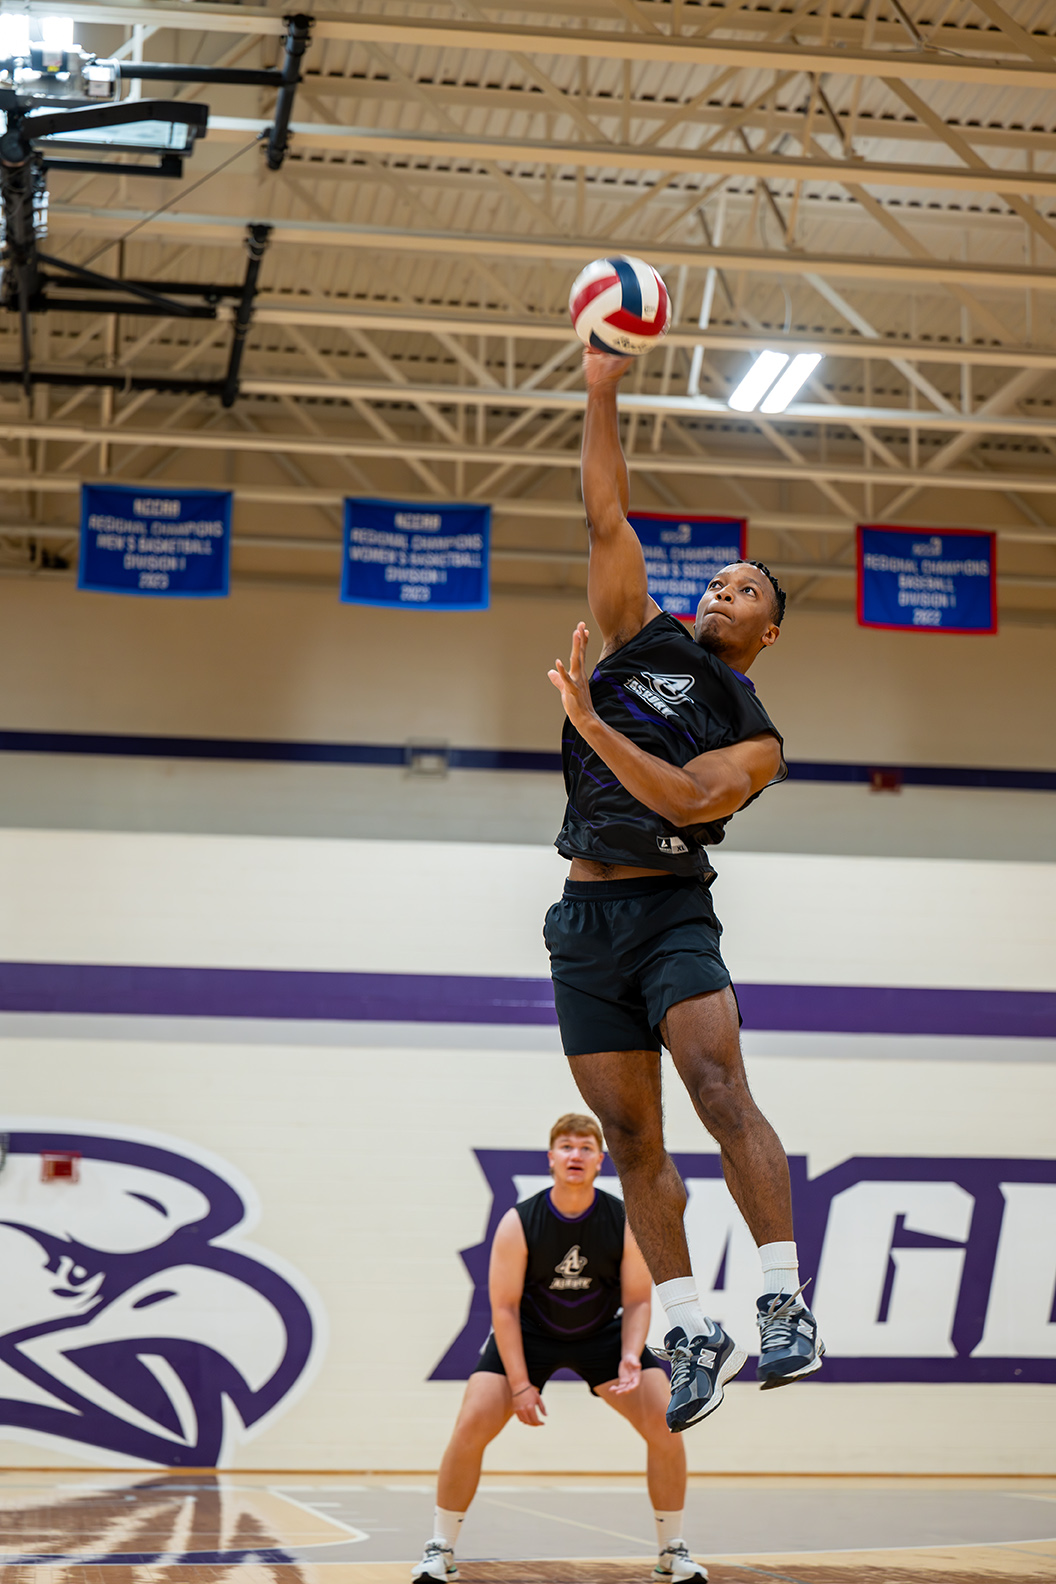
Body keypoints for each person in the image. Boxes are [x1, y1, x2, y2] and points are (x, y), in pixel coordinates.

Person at [542, 348, 823, 1436]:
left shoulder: (757, 737)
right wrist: (602, 383)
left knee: (715, 1082)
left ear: (768, 634)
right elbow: (606, 514)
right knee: (628, 1135)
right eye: (719, 577)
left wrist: (594, 725)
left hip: (669, 910)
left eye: (747, 590)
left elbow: (692, 802)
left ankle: (783, 1298)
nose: (724, 586)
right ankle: (697, 1325)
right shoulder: (641, 633)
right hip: (584, 919)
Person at [413, 1113, 708, 1584]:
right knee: (470, 1425)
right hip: (529, 1335)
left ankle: (672, 1550)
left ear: (599, 1160)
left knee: (666, 1424)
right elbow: (504, 1310)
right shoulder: (519, 1221)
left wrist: (631, 1355)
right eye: (567, 1147)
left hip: (603, 1337)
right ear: (551, 1158)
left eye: (586, 1148)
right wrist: (520, 1385)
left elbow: (636, 1299)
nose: (576, 1155)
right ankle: (440, 1548)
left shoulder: (624, 1219)